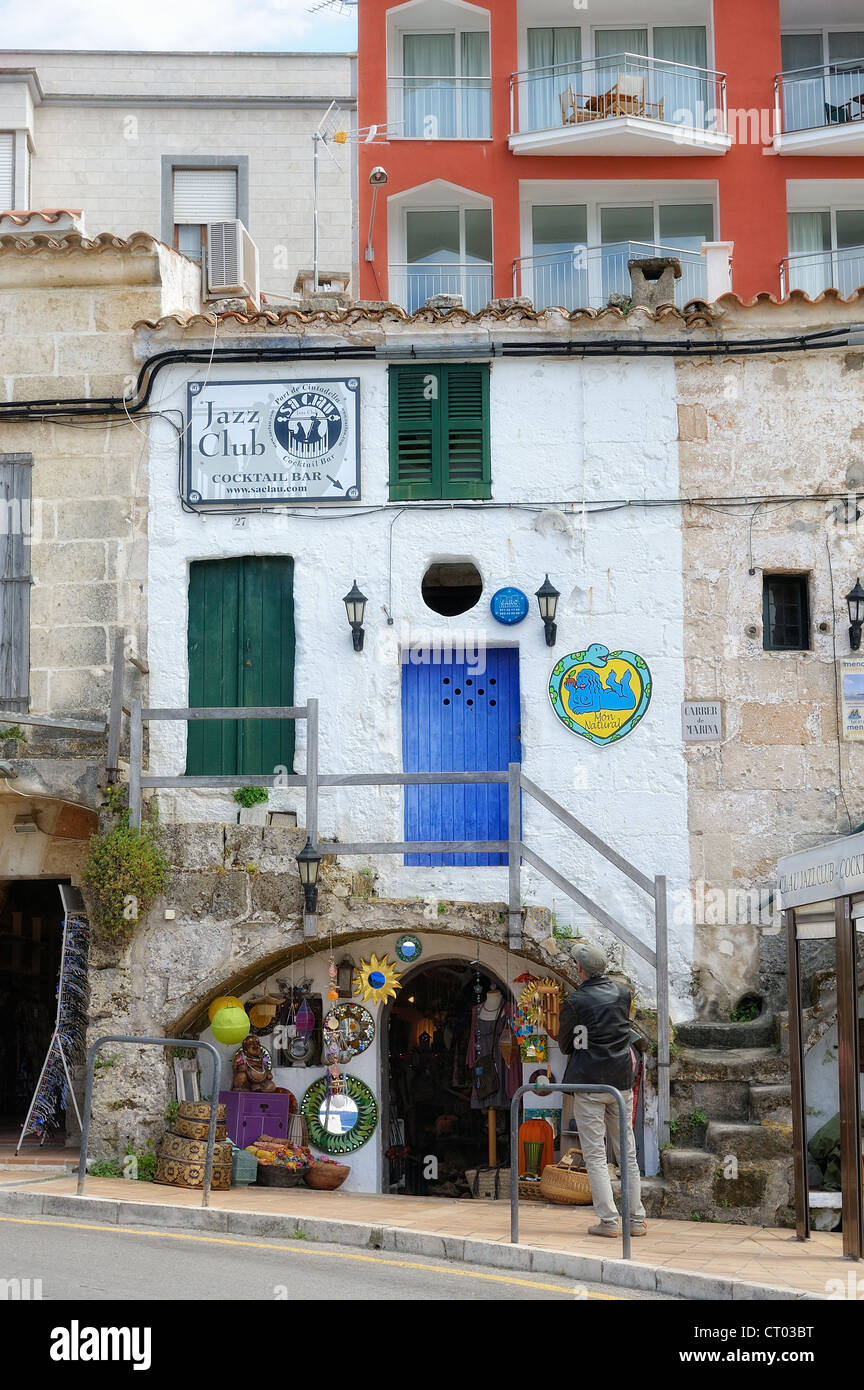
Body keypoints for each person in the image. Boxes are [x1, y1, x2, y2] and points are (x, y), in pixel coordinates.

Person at [557, 941, 647, 1239]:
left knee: (595, 1155)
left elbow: (566, 1043)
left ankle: (609, 1221)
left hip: (589, 1082)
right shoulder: (623, 993)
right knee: (627, 1154)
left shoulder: (575, 1001)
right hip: (620, 1081)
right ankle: (635, 1219)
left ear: (579, 970)